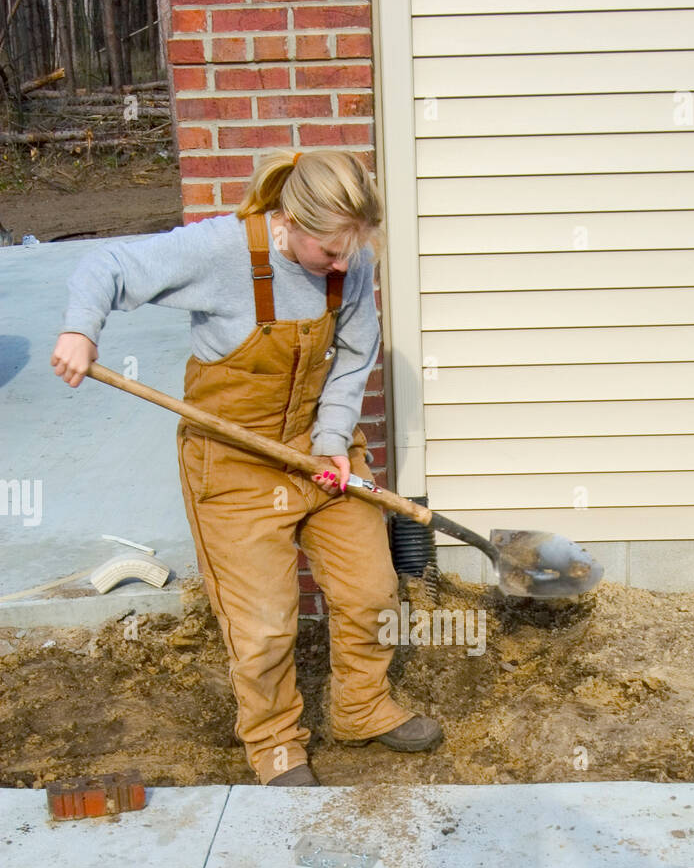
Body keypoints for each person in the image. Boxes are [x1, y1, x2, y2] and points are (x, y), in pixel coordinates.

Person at [51, 148, 442, 786]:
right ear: (290, 218)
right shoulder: (219, 252)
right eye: (330, 254)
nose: (343, 266)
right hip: (233, 459)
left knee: (372, 589)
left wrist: (334, 438)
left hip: (320, 447)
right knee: (262, 624)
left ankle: (361, 706)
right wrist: (80, 330)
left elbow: (354, 349)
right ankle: (275, 743)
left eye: (352, 252)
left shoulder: (352, 256)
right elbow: (109, 263)